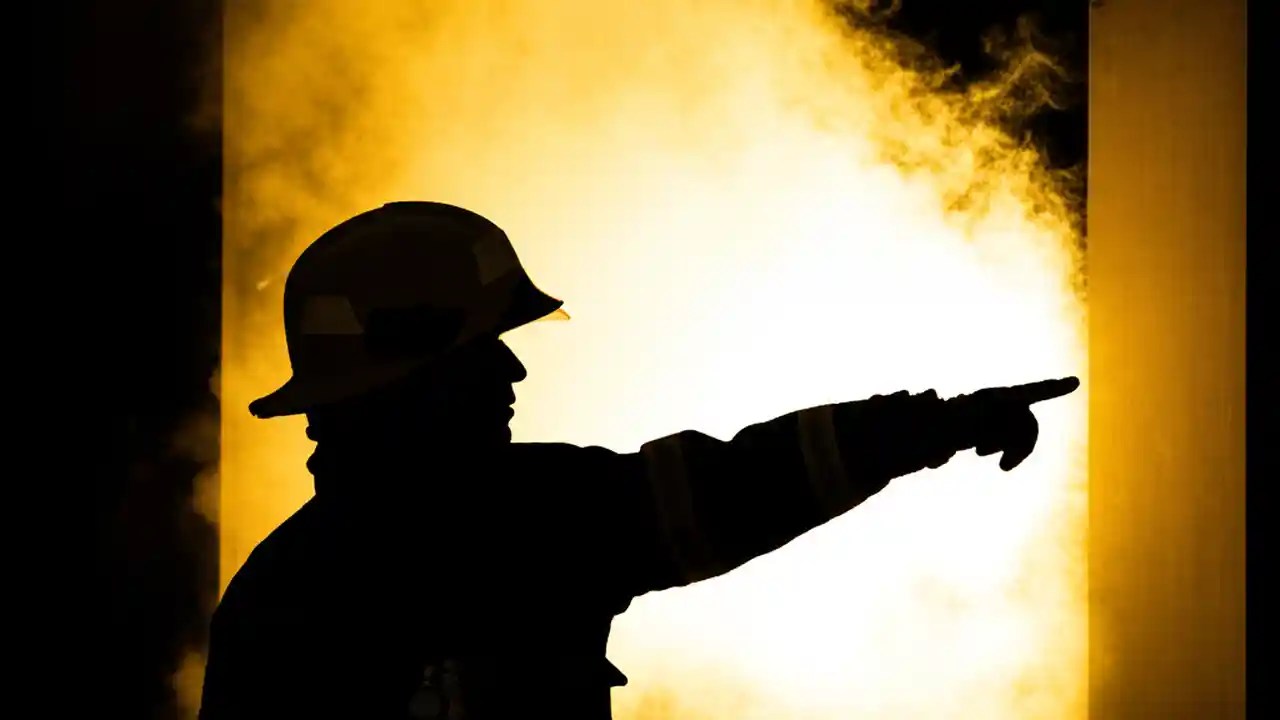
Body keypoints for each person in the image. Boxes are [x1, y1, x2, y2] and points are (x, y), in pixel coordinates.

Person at [198, 201, 1079, 719]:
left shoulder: (280, 591)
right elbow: (740, 487)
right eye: (481, 352)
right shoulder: (533, 519)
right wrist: (935, 427)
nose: (514, 369)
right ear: (409, 373)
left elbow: (744, 482)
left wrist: (933, 426)